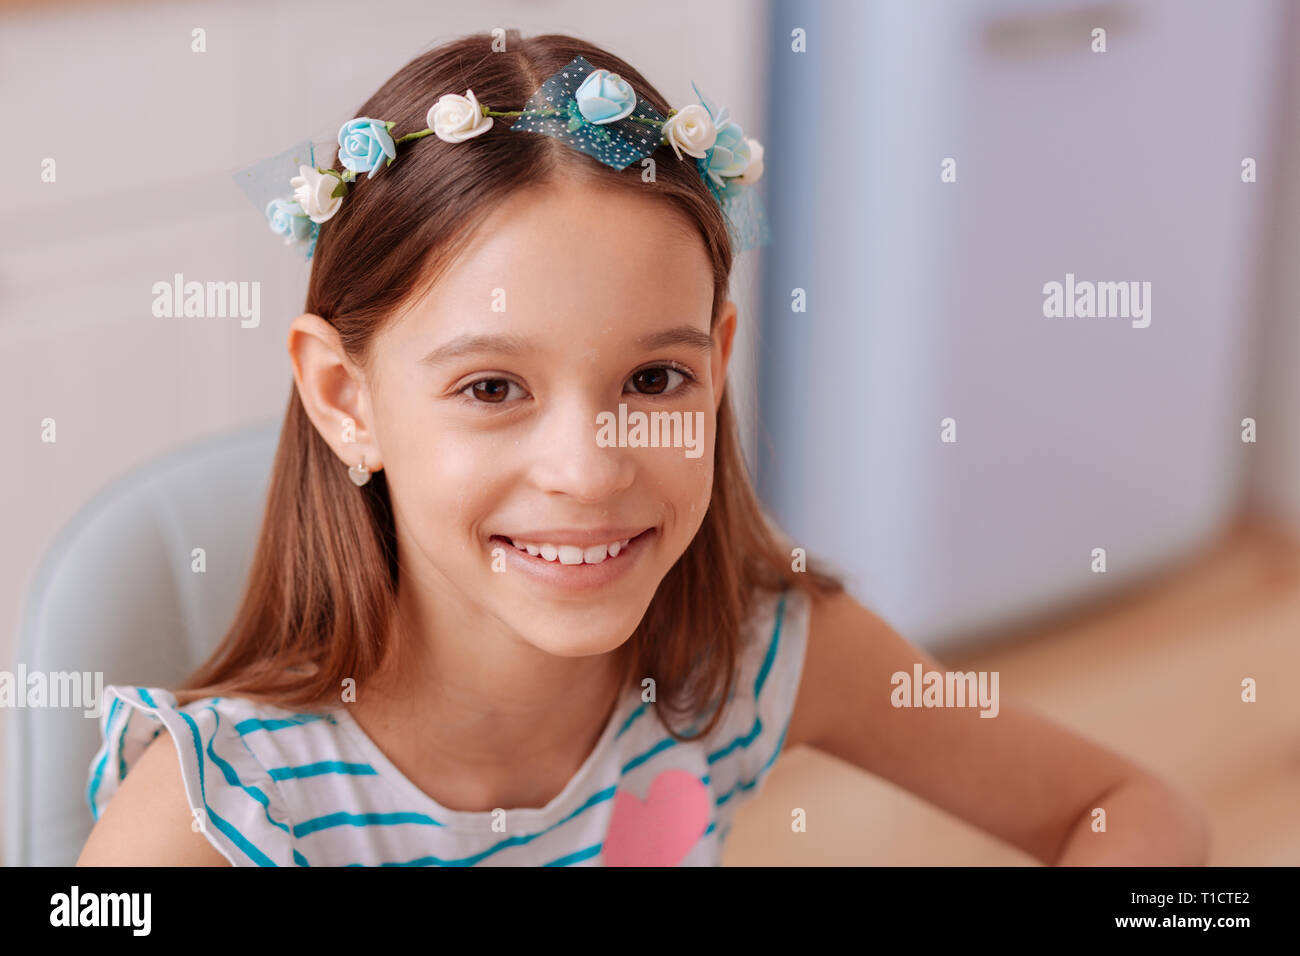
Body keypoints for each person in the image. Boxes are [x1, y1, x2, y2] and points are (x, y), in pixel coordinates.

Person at [77, 30, 1208, 867]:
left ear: (716, 365)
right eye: (491, 386)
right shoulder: (212, 819)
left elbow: (1124, 804)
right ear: (344, 397)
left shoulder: (753, 659)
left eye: (653, 378)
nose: (589, 465)